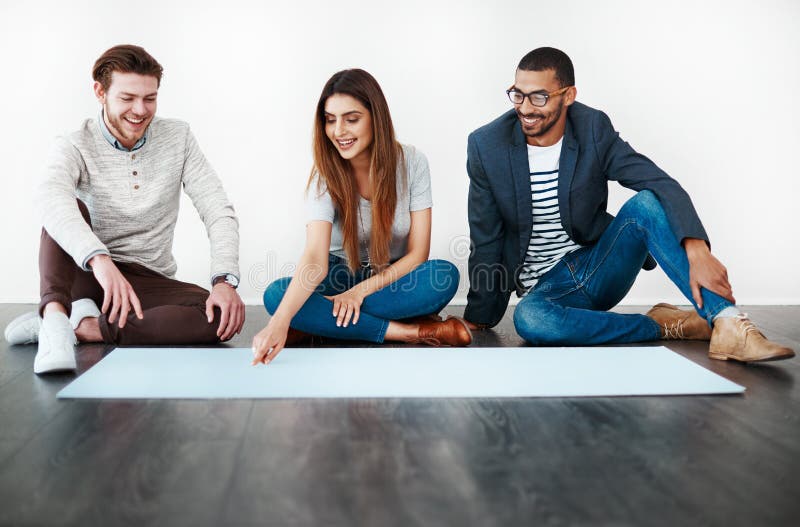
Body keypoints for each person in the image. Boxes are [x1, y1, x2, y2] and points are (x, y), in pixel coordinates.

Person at [463, 47, 794, 363]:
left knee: (646, 203)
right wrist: (479, 317)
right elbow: (486, 236)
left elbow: (658, 182)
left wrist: (697, 249)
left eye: (539, 96)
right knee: (531, 320)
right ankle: (664, 325)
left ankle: (728, 322)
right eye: (517, 94)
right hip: (548, 289)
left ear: (568, 96)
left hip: (600, 267)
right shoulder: (486, 145)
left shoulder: (593, 128)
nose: (525, 107)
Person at [3, 44, 245, 374]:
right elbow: (48, 196)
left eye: (150, 98)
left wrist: (223, 280)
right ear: (100, 92)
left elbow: (217, 207)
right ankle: (57, 319)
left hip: (147, 281)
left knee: (220, 316)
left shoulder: (178, 137)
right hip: (88, 274)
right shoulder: (75, 143)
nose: (140, 110)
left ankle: (86, 327)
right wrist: (99, 259)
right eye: (127, 98)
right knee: (64, 206)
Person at [253, 69, 470, 365]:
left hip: (391, 277)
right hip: (338, 273)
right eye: (330, 120)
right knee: (276, 296)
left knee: (443, 276)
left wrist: (357, 294)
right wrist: (279, 321)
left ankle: (320, 323)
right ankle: (412, 331)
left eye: (351, 119)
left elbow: (418, 254)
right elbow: (315, 257)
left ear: (375, 118)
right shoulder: (324, 174)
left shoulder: (413, 162)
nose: (339, 131)